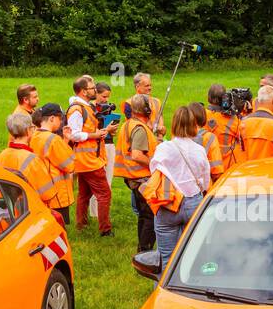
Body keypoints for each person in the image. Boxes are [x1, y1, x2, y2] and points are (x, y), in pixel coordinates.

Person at [146, 105, 212, 274]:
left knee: (166, 258)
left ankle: (164, 293)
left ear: (174, 124)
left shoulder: (163, 148)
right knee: (194, 253)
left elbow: (154, 171)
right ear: (194, 125)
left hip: (168, 203)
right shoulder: (199, 150)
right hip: (194, 202)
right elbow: (205, 181)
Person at [66, 74, 118, 237]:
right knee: (104, 194)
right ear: (83, 91)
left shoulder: (85, 107)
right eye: (92, 88)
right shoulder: (77, 109)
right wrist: (99, 134)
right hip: (89, 161)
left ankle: (82, 224)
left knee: (84, 194)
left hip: (86, 160)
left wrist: (103, 131)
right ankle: (105, 229)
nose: (95, 89)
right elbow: (74, 134)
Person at [116, 93, 159, 252]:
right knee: (151, 216)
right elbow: (137, 154)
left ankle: (142, 248)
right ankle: (145, 251)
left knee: (143, 215)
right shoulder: (139, 129)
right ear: (147, 110)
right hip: (141, 178)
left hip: (133, 177)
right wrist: (154, 164)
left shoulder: (129, 124)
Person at [0, 111, 59, 210]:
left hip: (7, 210)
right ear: (28, 130)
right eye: (33, 127)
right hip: (28, 212)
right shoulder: (32, 159)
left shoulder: (3, 154)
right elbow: (47, 194)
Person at [30, 104, 76, 223]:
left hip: (42, 190)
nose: (61, 122)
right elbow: (69, 165)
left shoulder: (34, 136)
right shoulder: (53, 139)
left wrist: (64, 140)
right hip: (57, 194)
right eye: (60, 119)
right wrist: (67, 143)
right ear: (51, 119)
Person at [206, 84, 244, 170]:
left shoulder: (202, 115)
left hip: (207, 164)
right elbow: (242, 138)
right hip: (227, 166)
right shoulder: (234, 120)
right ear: (226, 98)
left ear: (208, 97)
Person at [188, 102, 225, 180]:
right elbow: (217, 171)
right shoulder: (210, 138)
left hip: (181, 188)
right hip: (205, 188)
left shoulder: (179, 137)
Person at [134, 72, 166, 139]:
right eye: (147, 86)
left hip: (156, 140)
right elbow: (133, 125)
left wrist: (160, 138)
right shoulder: (130, 103)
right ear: (137, 87)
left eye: (150, 85)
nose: (150, 88)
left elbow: (162, 128)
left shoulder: (157, 102)